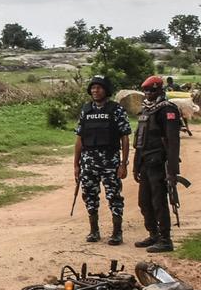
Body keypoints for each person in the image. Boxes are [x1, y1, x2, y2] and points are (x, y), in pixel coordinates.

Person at [73, 74, 130, 245]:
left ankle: (117, 233)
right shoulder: (86, 110)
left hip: (110, 162)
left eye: (98, 87)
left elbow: (125, 138)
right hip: (88, 162)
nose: (95, 90)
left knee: (114, 196)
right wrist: (76, 164)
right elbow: (79, 139)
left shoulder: (116, 109)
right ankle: (94, 231)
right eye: (92, 87)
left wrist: (123, 164)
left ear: (106, 90)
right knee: (89, 196)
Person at [131, 75, 182, 253]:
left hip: (159, 162)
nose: (148, 94)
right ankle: (153, 234)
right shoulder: (147, 109)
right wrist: (136, 165)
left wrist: (173, 171)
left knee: (159, 200)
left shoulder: (167, 110)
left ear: (160, 90)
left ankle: (165, 239)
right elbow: (139, 140)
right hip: (145, 161)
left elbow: (173, 141)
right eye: (145, 90)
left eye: (151, 90)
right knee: (144, 201)